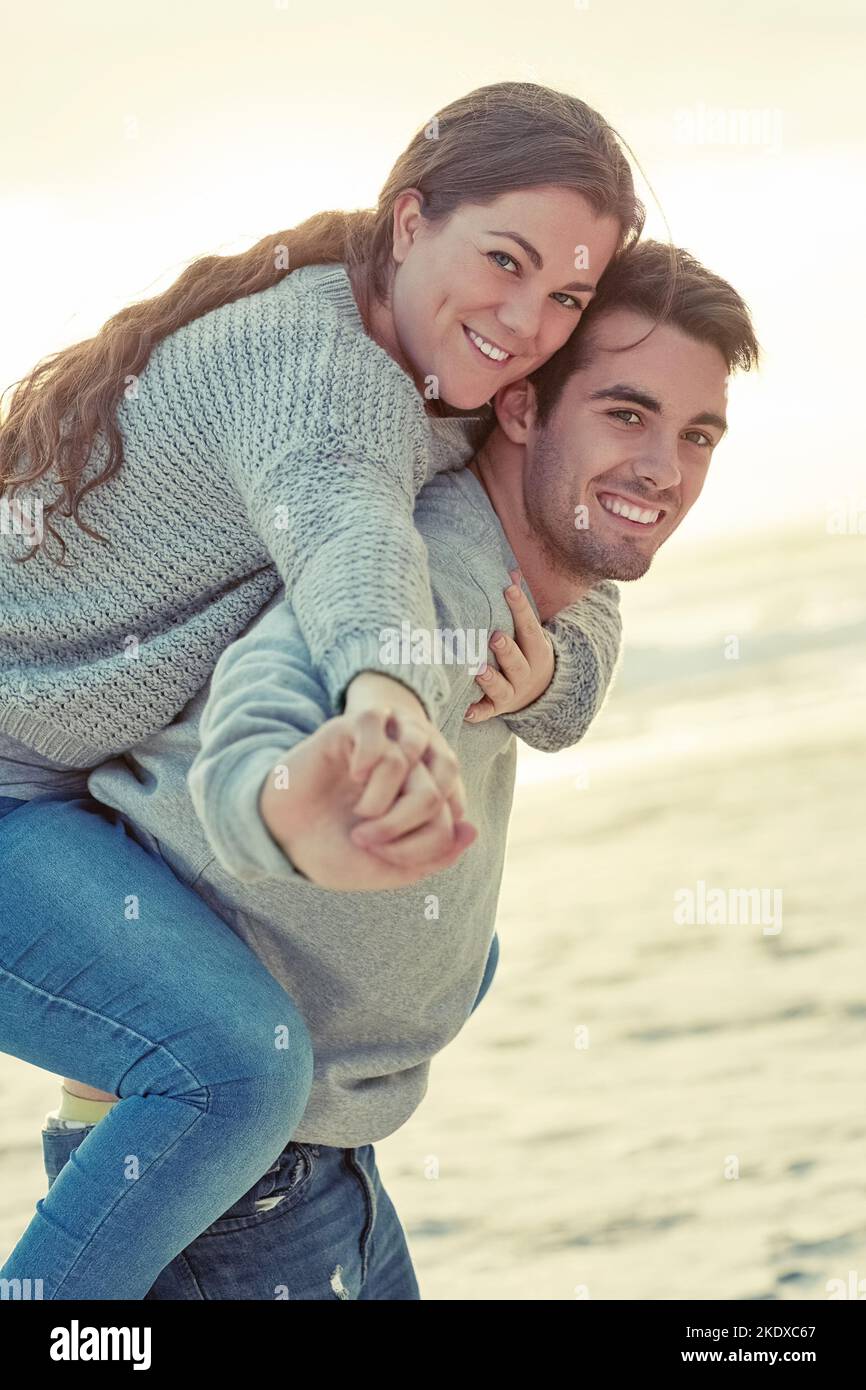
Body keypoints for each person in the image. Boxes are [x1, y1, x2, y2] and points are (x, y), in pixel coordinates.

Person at [26, 241, 757, 1299]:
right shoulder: (437, 574)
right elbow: (270, 690)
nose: (664, 468)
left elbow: (590, 629)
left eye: (697, 435)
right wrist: (282, 798)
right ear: (520, 409)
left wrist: (554, 677)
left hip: (314, 1166)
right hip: (236, 1187)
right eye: (625, 414)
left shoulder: (548, 566)